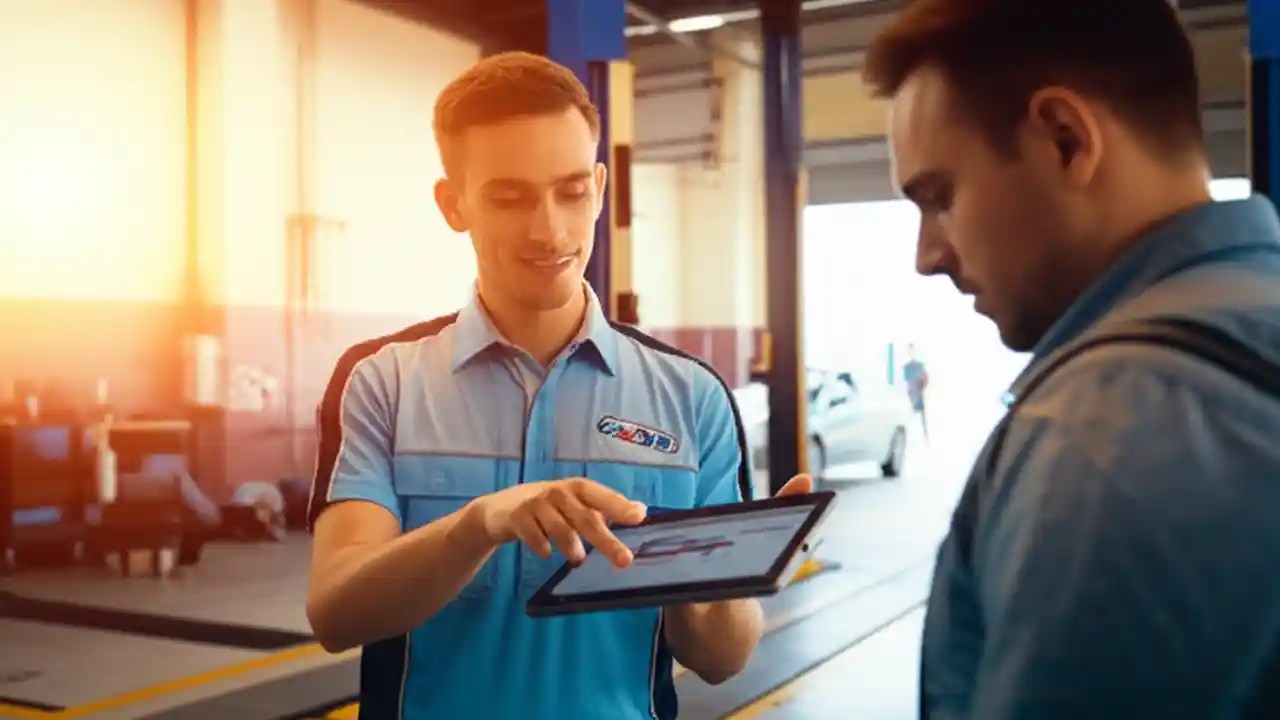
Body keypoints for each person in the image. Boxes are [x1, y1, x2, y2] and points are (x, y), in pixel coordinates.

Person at [303, 51, 810, 719]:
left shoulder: (691, 397)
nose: (549, 229)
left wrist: (733, 561)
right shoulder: (380, 381)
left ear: (600, 188)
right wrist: (478, 524)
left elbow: (722, 659)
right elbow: (338, 614)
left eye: (572, 191)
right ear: (452, 204)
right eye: (509, 197)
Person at [864, 0, 1280, 717]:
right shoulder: (1254, 317)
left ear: (1063, 139)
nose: (927, 257)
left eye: (940, 197)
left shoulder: (1109, 432)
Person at [901, 343, 929, 441]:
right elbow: (907, 379)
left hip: (918, 392)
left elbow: (925, 378)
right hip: (912, 392)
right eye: (910, 351)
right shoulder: (907, 367)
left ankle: (925, 438)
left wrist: (922, 385)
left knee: (921, 416)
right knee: (912, 415)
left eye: (913, 351)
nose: (911, 353)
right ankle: (912, 438)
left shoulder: (920, 366)